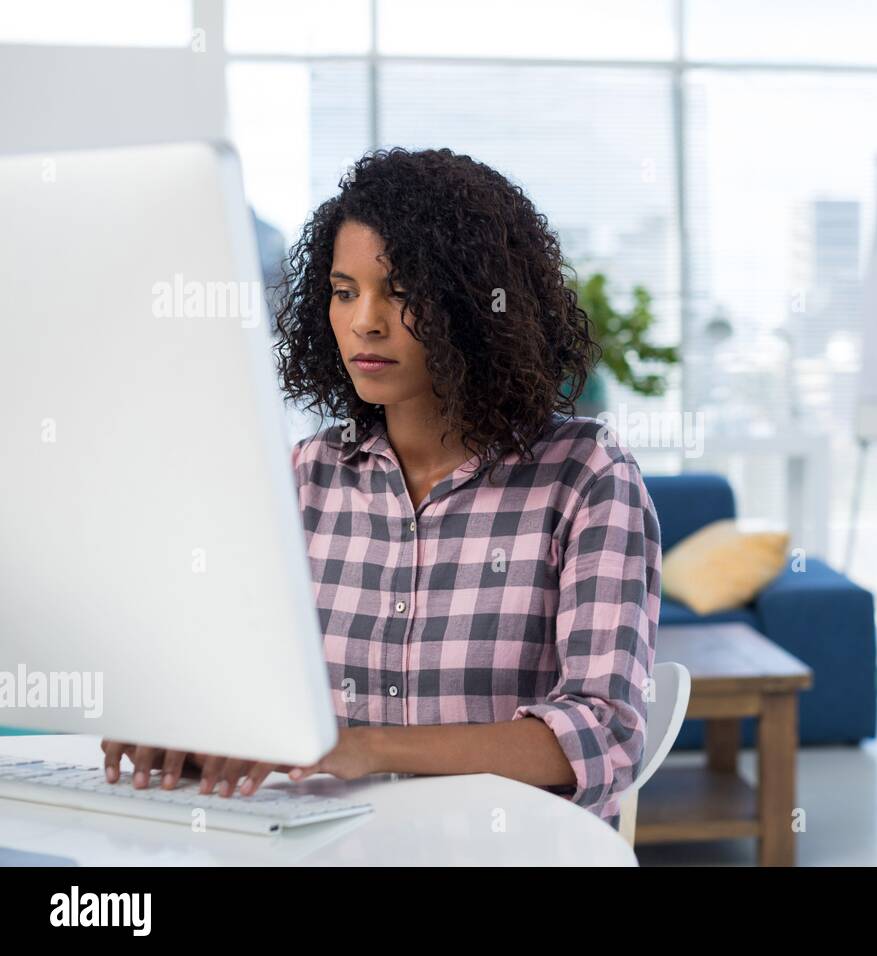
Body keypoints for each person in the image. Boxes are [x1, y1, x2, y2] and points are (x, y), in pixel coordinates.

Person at [103, 147, 661, 825]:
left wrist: (363, 747)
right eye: (345, 291)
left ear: (475, 304)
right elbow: (250, 693)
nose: (366, 319)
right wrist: (195, 737)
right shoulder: (307, 476)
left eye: (401, 292)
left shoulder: (586, 475)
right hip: (329, 846)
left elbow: (604, 736)